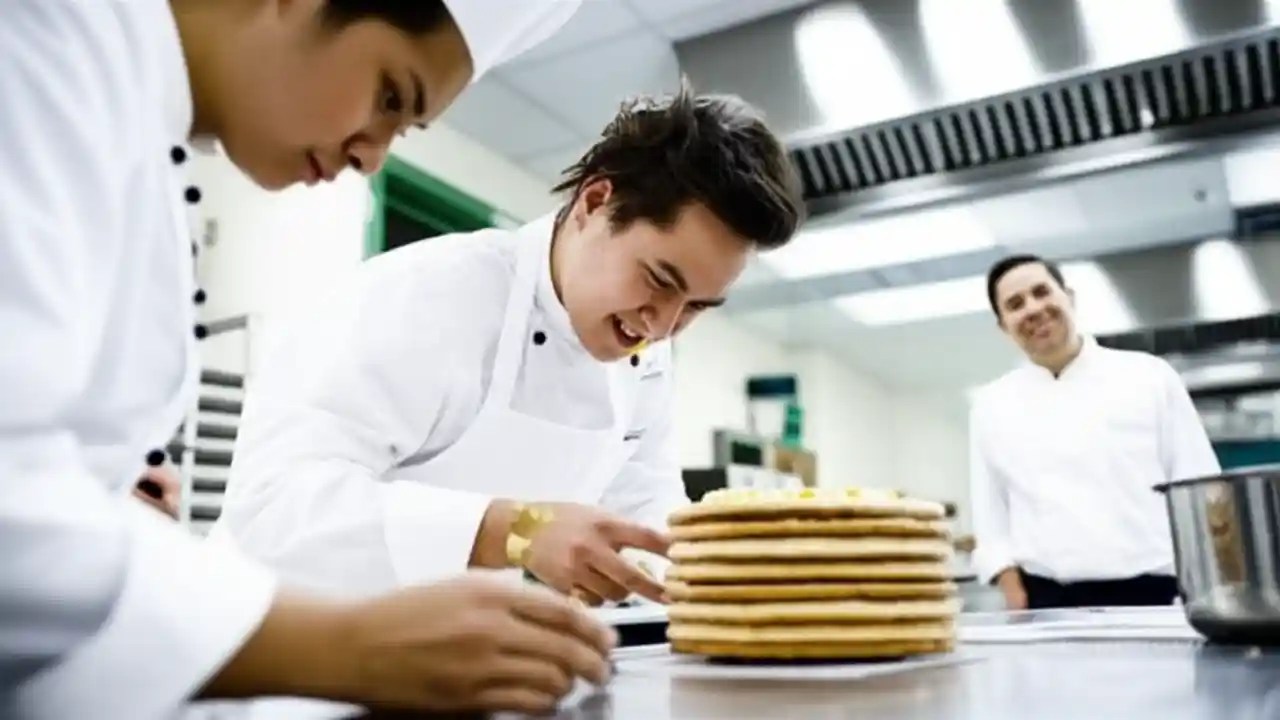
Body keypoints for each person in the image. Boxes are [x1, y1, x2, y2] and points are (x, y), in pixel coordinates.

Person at [0, 1, 619, 718]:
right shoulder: (42, 43)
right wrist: (353, 646)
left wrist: (110, 502)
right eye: (391, 94)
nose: (373, 155)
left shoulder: (138, 113)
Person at [212, 84, 806, 604]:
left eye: (697, 307)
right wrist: (516, 530)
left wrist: (719, 575)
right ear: (596, 204)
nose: (661, 326)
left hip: (448, 671)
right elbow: (274, 508)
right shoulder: (429, 297)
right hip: (290, 670)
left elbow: (645, 511)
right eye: (658, 280)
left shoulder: (646, 356)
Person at [969, 254, 1221, 610]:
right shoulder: (991, 404)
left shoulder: (1149, 377)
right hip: (1046, 602)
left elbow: (1201, 488)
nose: (1033, 309)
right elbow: (991, 516)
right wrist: (1016, 594)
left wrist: (1204, 589)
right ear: (1003, 326)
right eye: (1015, 304)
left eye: (1042, 292)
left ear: (1069, 297)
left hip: (1155, 595)